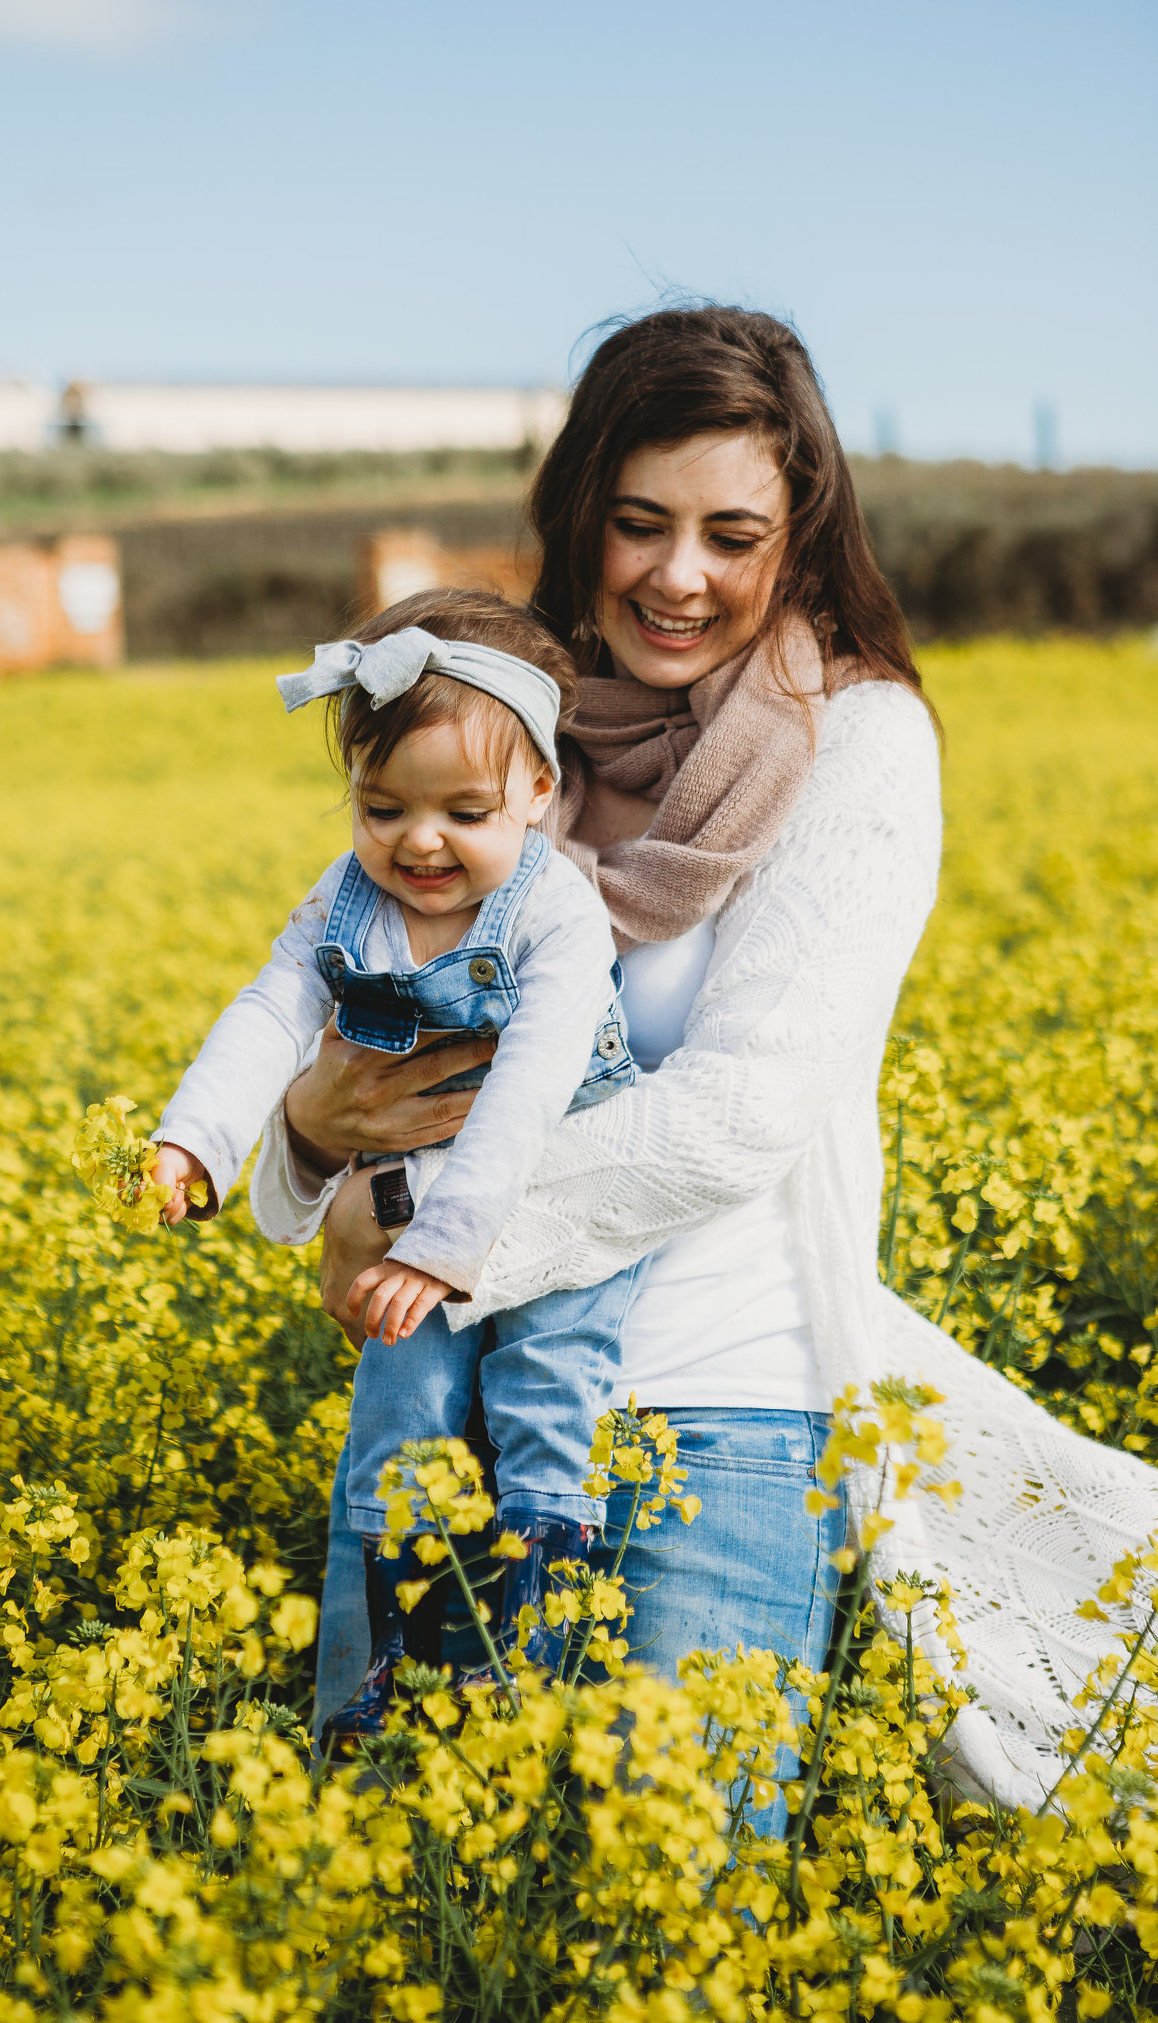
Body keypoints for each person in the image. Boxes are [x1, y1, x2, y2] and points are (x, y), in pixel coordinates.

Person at [249, 304, 942, 1825]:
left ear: (801, 534)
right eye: (639, 524)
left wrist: (424, 1224)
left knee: (663, 1934)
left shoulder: (860, 744)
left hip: (722, 1420)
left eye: (730, 532)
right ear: (581, 518)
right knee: (405, 1917)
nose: (679, 576)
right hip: (444, 1417)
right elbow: (344, 1061)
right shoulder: (495, 730)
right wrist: (302, 1140)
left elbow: (738, 1114)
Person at [150, 588, 647, 1739]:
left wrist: (440, 1248)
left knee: (547, 1396)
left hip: (556, 1201)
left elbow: (524, 1103)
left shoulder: (556, 917)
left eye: (465, 810)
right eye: (382, 808)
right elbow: (269, 1016)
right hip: (421, 1215)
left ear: (539, 792)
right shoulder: (345, 898)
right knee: (401, 1409)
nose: (419, 842)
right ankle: (400, 1663)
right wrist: (197, 1142)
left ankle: (524, 1651)